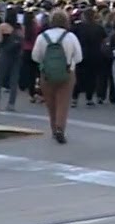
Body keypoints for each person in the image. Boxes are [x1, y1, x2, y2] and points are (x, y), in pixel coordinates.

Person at [32, 10, 83, 143]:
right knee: (63, 102)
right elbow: (79, 57)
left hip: (47, 73)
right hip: (67, 72)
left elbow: (35, 57)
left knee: (51, 103)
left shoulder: (42, 36)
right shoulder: (70, 36)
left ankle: (53, 129)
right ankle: (60, 128)